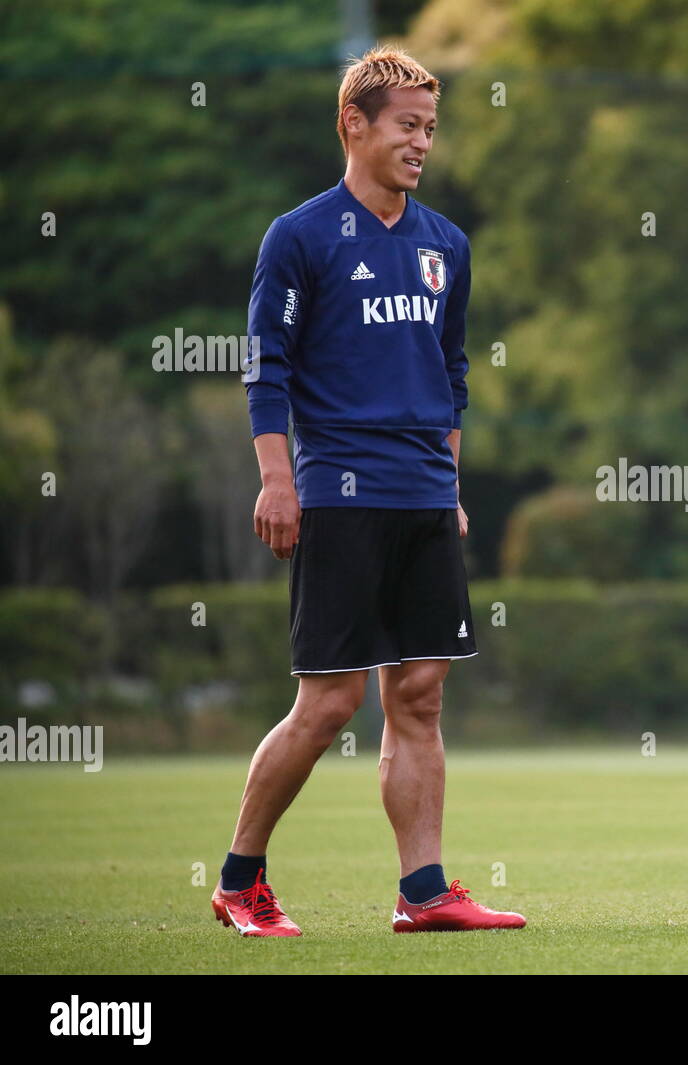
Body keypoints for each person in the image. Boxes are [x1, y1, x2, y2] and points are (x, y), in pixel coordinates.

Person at [211, 46, 524, 936]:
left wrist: (450, 481)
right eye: (406, 126)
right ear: (354, 124)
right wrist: (278, 477)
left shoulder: (445, 245)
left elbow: (452, 371)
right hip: (339, 494)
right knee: (331, 700)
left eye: (430, 128)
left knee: (419, 691)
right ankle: (240, 879)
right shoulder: (299, 235)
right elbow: (265, 367)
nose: (422, 142)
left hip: (425, 491)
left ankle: (423, 892)